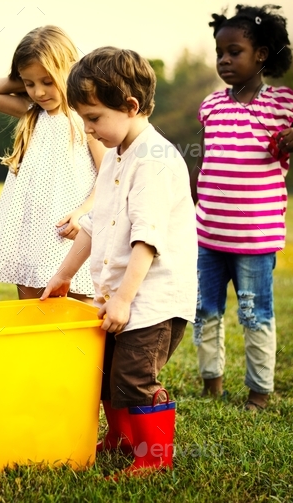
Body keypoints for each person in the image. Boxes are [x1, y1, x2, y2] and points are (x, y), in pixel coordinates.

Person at [41, 47, 197, 476]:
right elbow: (93, 224)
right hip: (116, 297)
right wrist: (63, 274)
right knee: (106, 372)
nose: (88, 128)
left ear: (130, 106)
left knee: (133, 378)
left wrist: (125, 300)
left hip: (151, 302)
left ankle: (155, 456)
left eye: (93, 118)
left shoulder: (155, 161)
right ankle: (122, 437)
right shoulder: (115, 154)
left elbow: (148, 240)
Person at [190, 4, 293, 411]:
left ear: (261, 54)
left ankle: (259, 394)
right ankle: (212, 385)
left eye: (235, 52)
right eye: (220, 53)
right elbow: (208, 164)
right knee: (205, 312)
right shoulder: (211, 105)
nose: (224, 60)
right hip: (208, 234)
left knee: (254, 315)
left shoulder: (283, 102)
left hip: (254, 240)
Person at [0, 25, 105, 303]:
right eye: (29, 83)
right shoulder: (32, 111)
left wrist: (85, 211)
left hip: (70, 226)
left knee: (78, 302)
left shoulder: (84, 116)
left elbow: (108, 171)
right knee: (34, 306)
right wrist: (23, 79)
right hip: (30, 229)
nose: (38, 92)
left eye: (47, 81)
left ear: (68, 71)